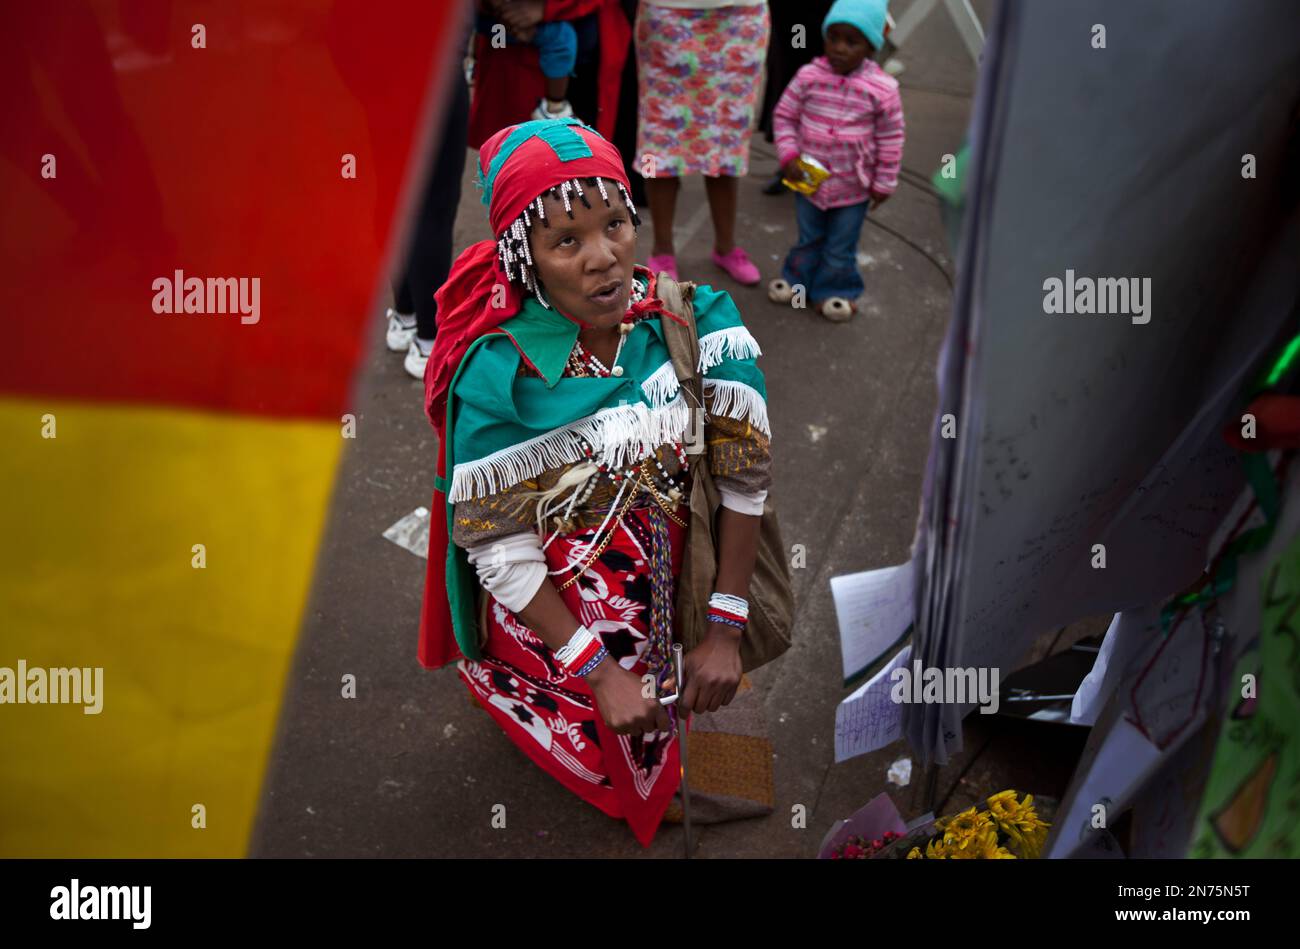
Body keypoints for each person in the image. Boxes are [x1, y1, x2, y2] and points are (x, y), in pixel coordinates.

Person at [418, 118, 774, 845]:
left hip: (669, 590)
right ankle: (622, 776)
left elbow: (744, 479)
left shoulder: (688, 322)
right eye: (567, 240)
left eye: (615, 222)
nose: (604, 257)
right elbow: (500, 550)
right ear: (526, 260)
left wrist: (727, 626)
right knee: (604, 723)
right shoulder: (501, 378)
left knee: (662, 703)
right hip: (555, 612)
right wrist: (596, 669)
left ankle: (653, 767)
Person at [768, 0, 904, 321]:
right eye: (834, 38)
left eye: (852, 42)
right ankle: (796, 281)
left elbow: (891, 139)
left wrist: (884, 182)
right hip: (807, 181)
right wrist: (788, 154)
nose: (840, 48)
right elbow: (785, 115)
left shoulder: (883, 89)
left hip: (853, 188)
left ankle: (836, 292)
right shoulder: (808, 76)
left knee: (840, 246)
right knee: (808, 237)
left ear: (871, 46)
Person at [634, 0, 770, 286]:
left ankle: (726, 247)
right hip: (667, 12)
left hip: (740, 13)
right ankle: (661, 250)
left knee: (726, 138)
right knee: (660, 139)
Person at [386, 46, 471, 378]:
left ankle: (406, 316)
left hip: (378, 72)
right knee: (433, 206)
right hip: (433, 71)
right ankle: (427, 339)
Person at [475, 0, 578, 120]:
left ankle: (554, 109)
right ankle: (555, 109)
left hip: (511, 22)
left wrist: (545, 9)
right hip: (500, 33)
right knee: (562, 37)